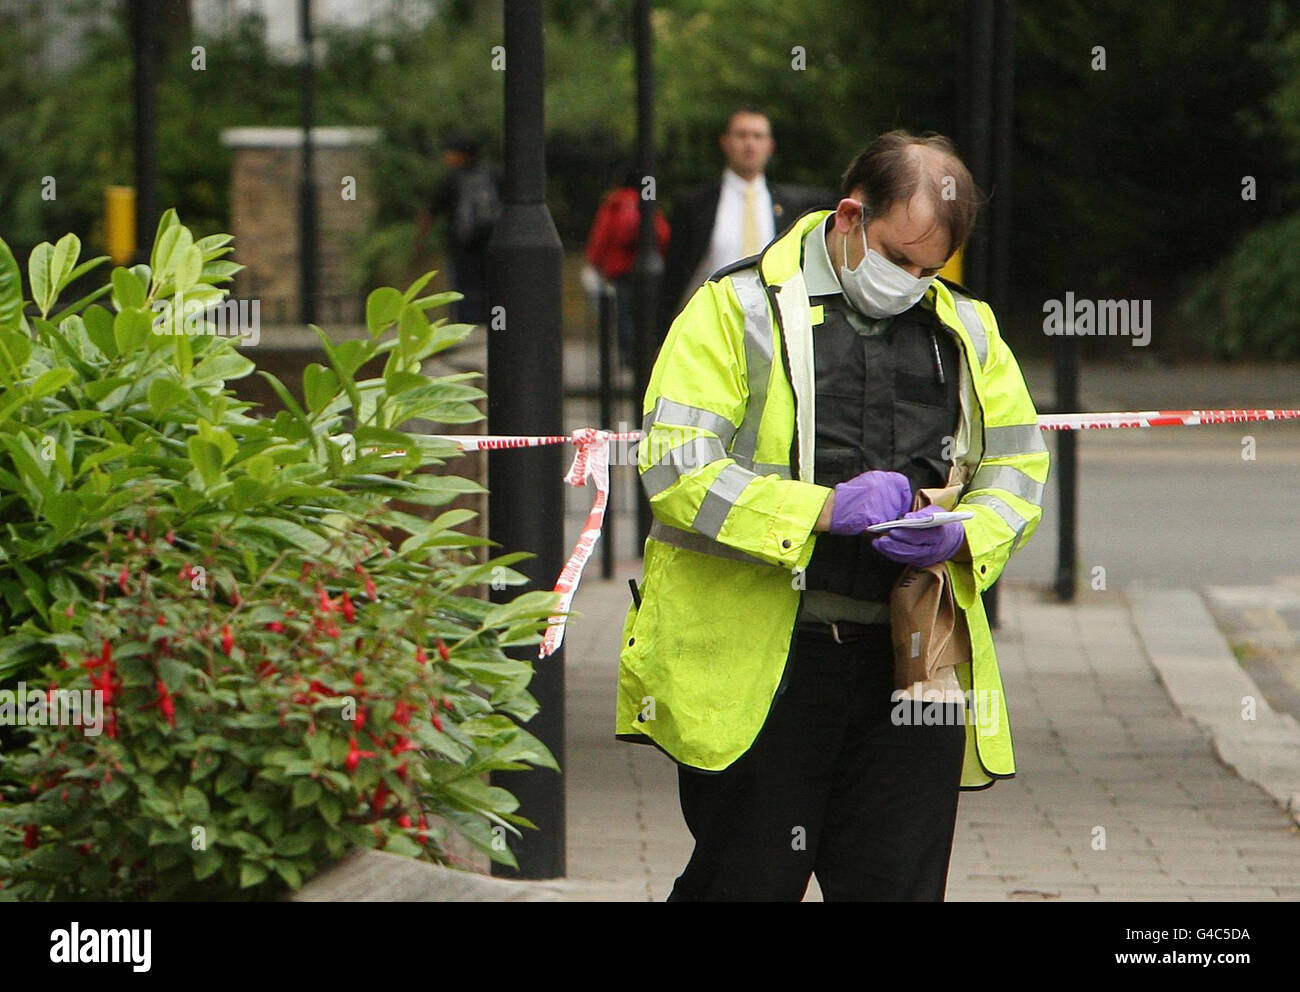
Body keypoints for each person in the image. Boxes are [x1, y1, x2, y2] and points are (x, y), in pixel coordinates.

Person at [616, 130, 1050, 901]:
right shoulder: (735, 310)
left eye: (929, 268)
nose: (911, 283)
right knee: (745, 880)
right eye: (897, 257)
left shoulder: (966, 330)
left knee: (898, 885)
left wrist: (965, 533)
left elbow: (1016, 470)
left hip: (910, 663)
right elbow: (676, 470)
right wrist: (819, 512)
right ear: (850, 217)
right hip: (768, 664)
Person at [657, 107, 824, 341]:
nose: (749, 144)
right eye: (741, 135)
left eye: (758, 136)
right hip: (708, 326)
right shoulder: (694, 205)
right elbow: (674, 275)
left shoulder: (790, 207)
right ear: (725, 142)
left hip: (771, 328)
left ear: (770, 146)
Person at [583, 169, 670, 367]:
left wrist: (596, 263)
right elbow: (664, 235)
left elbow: (601, 235)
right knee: (645, 312)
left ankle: (628, 356)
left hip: (620, 268)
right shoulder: (648, 203)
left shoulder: (614, 204)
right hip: (647, 270)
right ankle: (647, 353)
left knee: (624, 313)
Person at [418, 134, 500, 325]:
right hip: (493, 242)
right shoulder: (493, 174)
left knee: (463, 287)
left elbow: (430, 212)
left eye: (450, 153)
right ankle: (495, 324)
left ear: (462, 155)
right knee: (492, 284)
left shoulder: (452, 179)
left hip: (462, 243)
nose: (447, 157)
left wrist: (419, 241)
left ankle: (466, 325)